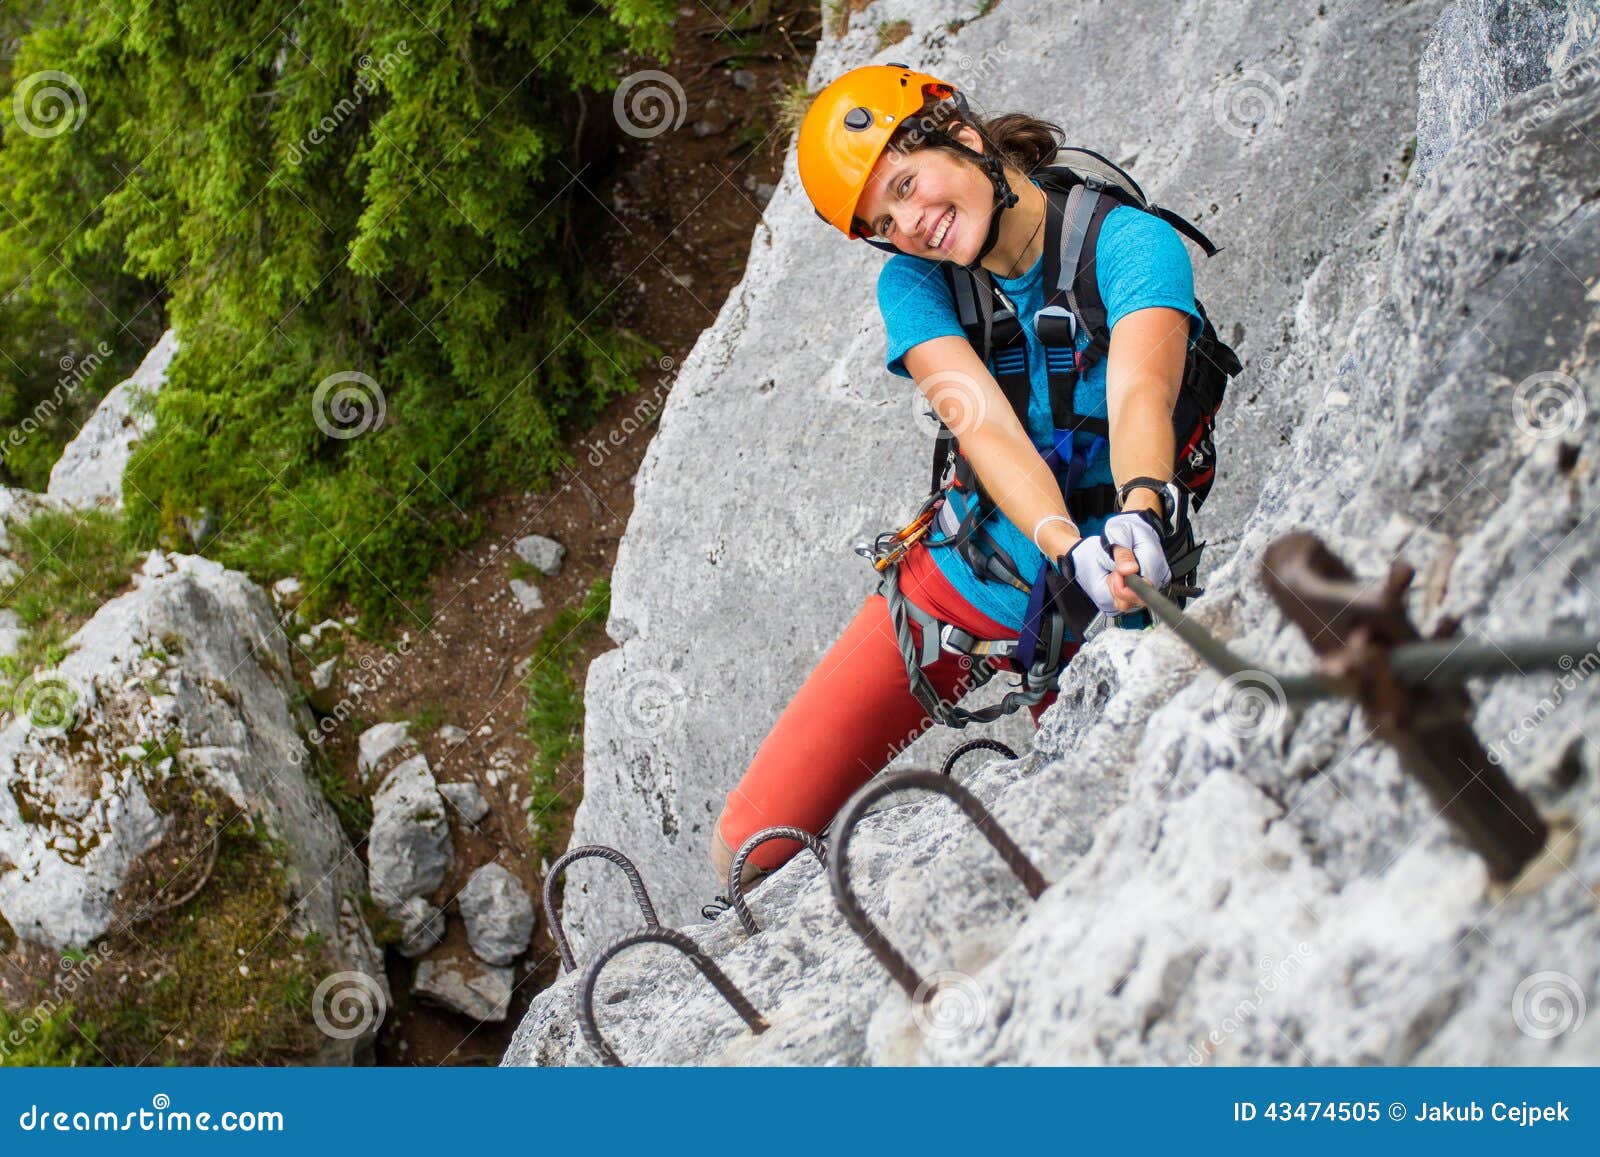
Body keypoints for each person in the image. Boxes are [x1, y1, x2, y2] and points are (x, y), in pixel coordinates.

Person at [709, 64, 1210, 886]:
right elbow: (979, 424)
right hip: (964, 576)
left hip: (1112, 592)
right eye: (885, 218)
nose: (911, 224)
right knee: (751, 839)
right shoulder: (912, 281)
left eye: (907, 183)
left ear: (965, 138)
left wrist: (1142, 510)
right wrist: (1058, 541)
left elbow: (1140, 392)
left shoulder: (1131, 244)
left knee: (1119, 854)